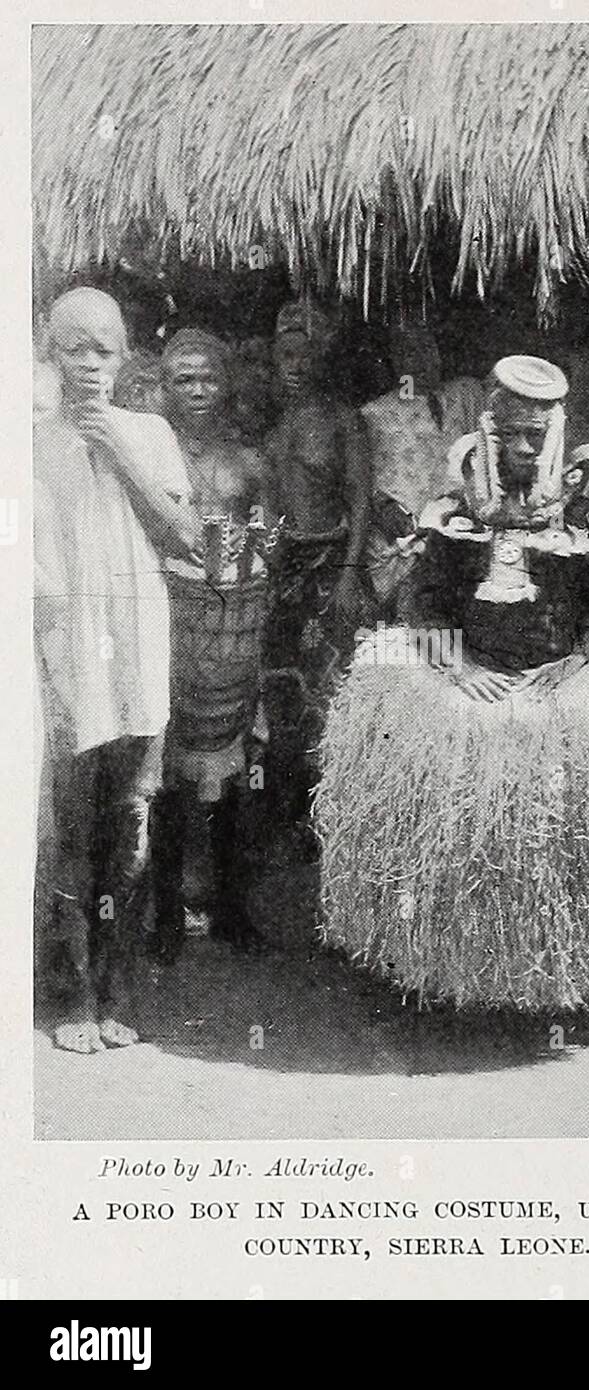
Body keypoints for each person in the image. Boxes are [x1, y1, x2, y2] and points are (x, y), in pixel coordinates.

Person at [314, 356, 589, 1013]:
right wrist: (456, 669)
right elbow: (423, 602)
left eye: (537, 436)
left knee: (558, 825)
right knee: (456, 817)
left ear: (558, 440)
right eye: (512, 434)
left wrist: (578, 664)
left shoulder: (585, 523)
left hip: (561, 684)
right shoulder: (455, 517)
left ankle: (557, 970)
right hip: (469, 677)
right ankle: (452, 969)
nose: (524, 448)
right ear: (487, 436)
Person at [34, 288, 196, 1052]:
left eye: (104, 348)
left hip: (137, 646)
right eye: (75, 348)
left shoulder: (152, 432)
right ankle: (72, 995)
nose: (90, 364)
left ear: (127, 355)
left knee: (132, 820)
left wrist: (120, 449)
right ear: (50, 352)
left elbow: (191, 539)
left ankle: (118, 989)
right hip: (68, 652)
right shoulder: (27, 442)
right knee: (72, 824)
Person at [150, 328, 274, 960]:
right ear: (164, 386)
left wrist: (240, 613)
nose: (198, 391)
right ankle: (166, 916)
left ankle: (231, 909)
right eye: (183, 379)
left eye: (209, 379)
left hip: (232, 630)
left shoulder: (247, 461)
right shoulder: (149, 455)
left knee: (235, 774)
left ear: (227, 384)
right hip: (168, 630)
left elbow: (263, 549)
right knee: (169, 776)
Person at [261, 300, 372, 840]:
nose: (296, 366)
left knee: (331, 694)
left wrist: (350, 575)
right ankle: (292, 814)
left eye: (307, 356)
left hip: (331, 565)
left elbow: (360, 500)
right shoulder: (276, 427)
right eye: (287, 355)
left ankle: (334, 818)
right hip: (284, 572)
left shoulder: (340, 419)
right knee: (284, 694)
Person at [360, 322, 485, 612]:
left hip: (463, 534)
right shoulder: (374, 415)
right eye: (408, 352)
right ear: (393, 362)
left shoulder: (465, 396)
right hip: (409, 545)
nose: (420, 360)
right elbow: (367, 490)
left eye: (427, 348)